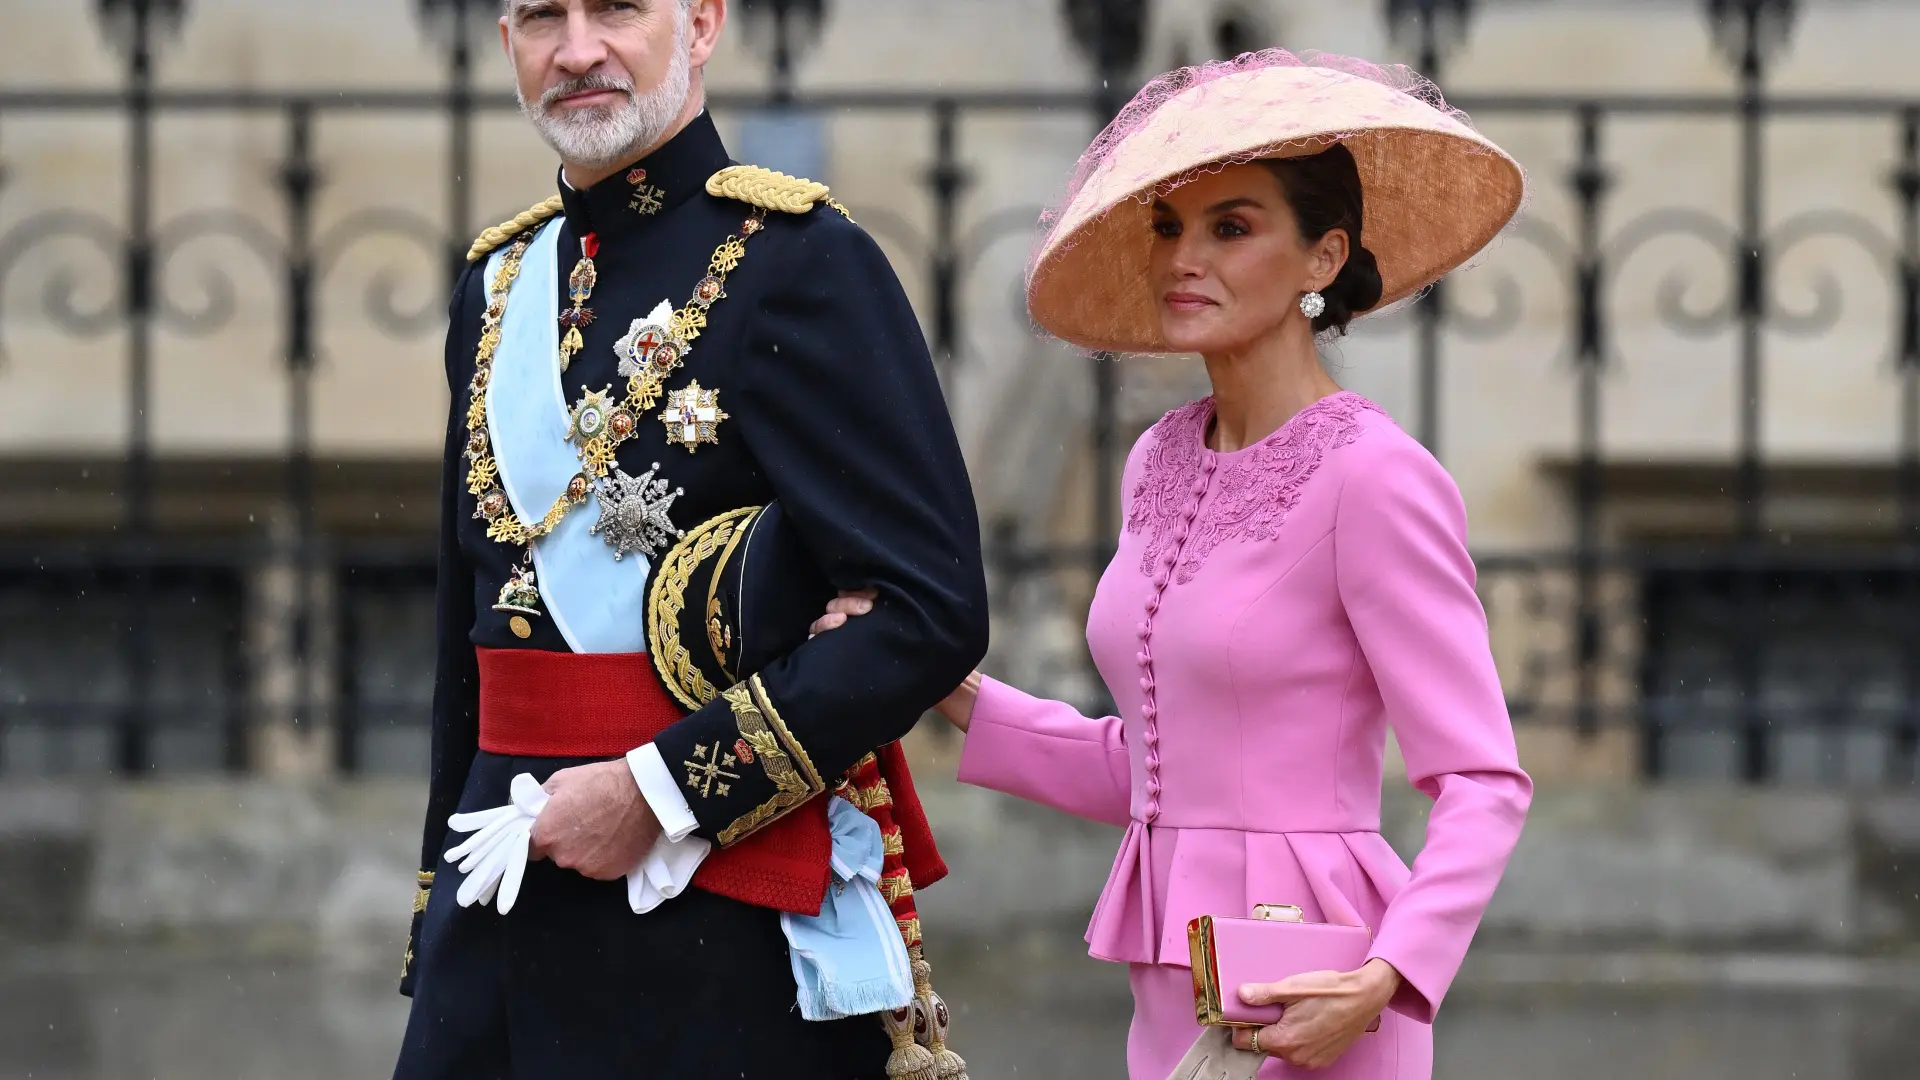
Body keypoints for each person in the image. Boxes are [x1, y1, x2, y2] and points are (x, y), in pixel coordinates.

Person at [813, 50, 1532, 1079]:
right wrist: (950, 690)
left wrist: (1388, 975)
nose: (1183, 257)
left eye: (1231, 227)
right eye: (1168, 226)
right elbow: (1157, 764)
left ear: (1324, 259)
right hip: (1172, 981)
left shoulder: (1375, 475)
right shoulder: (1155, 460)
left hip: (1321, 990)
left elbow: (1483, 779)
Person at [393, 0, 988, 1077]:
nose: (577, 51)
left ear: (703, 23)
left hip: (711, 932)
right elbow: (464, 647)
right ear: (505, 43)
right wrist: (437, 916)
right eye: (541, 17)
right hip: (501, 906)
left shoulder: (800, 263)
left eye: (616, 8)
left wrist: (660, 791)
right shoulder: (496, 287)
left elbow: (929, 609)